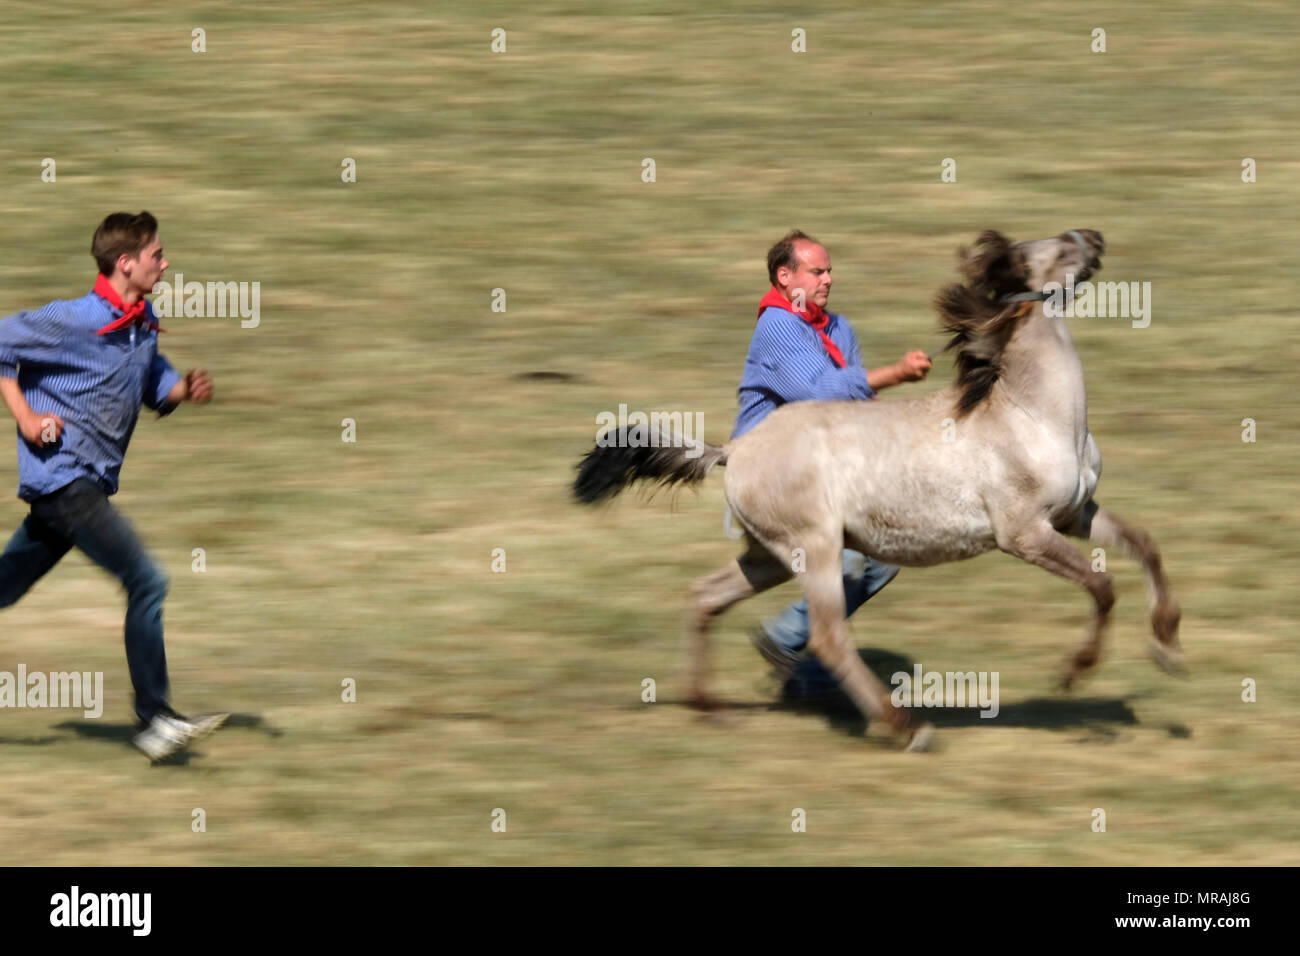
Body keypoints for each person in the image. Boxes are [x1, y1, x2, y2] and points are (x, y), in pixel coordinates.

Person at [0, 211, 227, 761]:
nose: (166, 263)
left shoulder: (140, 323)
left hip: (81, 489)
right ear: (126, 263)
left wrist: (184, 392)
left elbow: (153, 382)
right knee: (147, 580)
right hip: (65, 483)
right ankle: (155, 721)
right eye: (157, 255)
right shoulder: (73, 319)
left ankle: (157, 719)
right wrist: (27, 420)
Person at [735, 230, 931, 696]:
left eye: (829, 270)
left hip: (823, 474)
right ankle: (797, 648)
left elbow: (854, 410)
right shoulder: (777, 327)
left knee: (884, 555)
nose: (829, 278)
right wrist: (899, 373)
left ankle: (802, 654)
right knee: (853, 559)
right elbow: (821, 393)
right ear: (785, 277)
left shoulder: (839, 328)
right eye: (817, 271)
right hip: (771, 478)